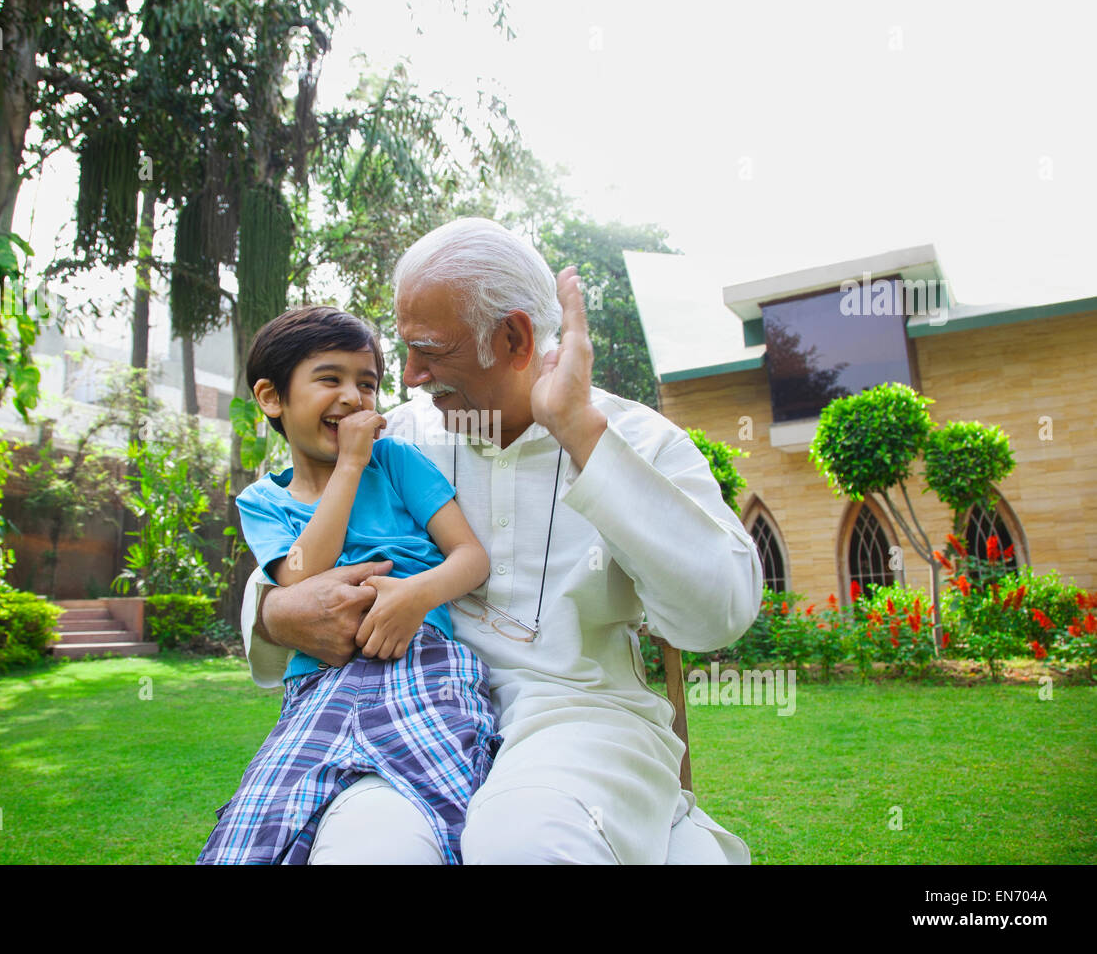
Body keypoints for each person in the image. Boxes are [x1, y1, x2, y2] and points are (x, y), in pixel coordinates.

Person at [239, 218, 764, 864]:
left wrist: (580, 434)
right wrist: (275, 611)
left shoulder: (636, 439)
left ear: (512, 338)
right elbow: (289, 545)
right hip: (405, 715)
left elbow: (722, 611)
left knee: (522, 846)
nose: (409, 376)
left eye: (430, 349)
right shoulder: (393, 440)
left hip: (578, 718)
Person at [196, 305, 501, 865]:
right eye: (329, 379)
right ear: (271, 398)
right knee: (259, 822)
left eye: (367, 383)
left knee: (451, 809)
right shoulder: (262, 501)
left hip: (424, 665)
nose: (354, 397)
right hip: (318, 683)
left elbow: (470, 557)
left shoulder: (398, 461)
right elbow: (303, 574)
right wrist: (350, 466)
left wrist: (419, 595)